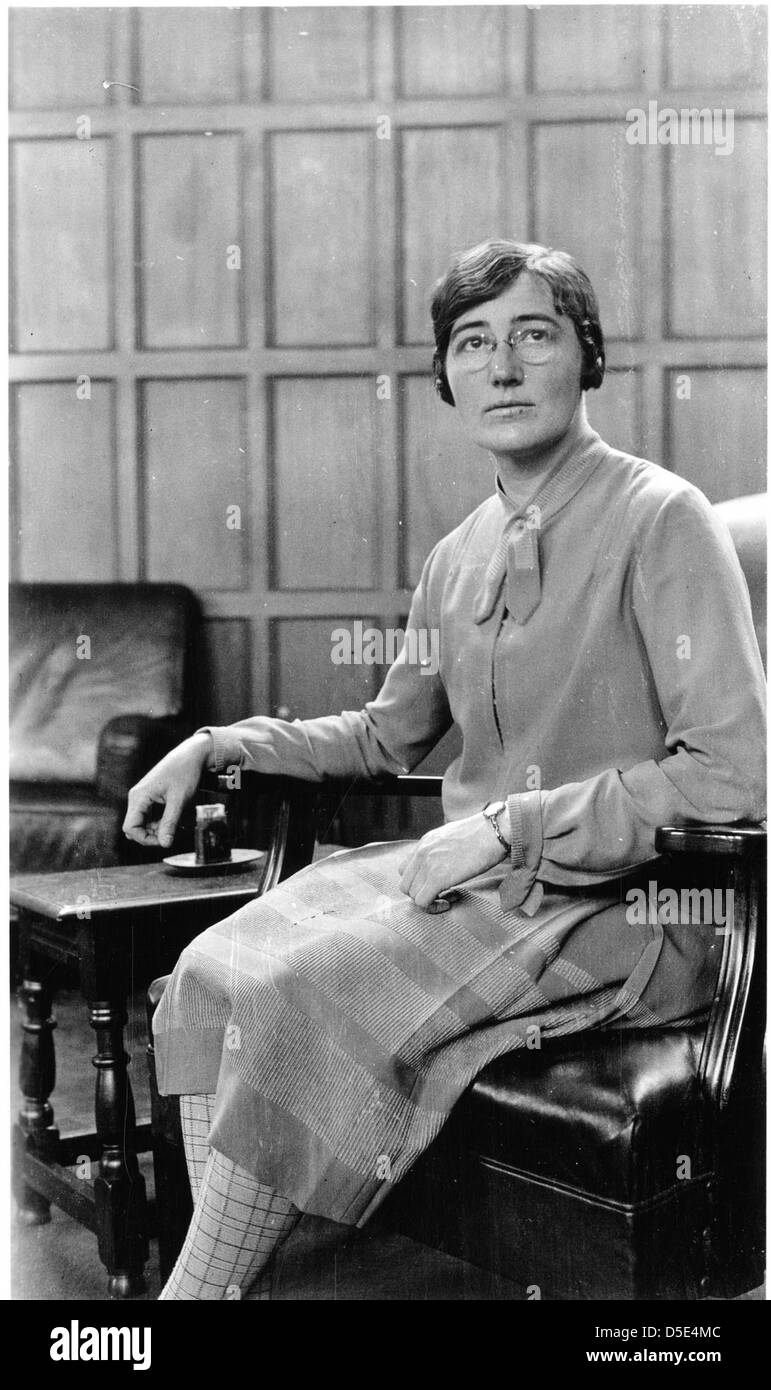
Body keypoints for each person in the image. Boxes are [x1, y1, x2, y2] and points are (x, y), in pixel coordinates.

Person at [124, 239, 765, 1300]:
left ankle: (193, 1301)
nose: (503, 366)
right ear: (449, 379)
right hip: (479, 883)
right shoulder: (457, 553)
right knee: (214, 969)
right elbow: (387, 735)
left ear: (584, 357)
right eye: (474, 344)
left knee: (295, 992)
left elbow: (735, 778)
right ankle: (232, 1282)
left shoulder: (664, 520)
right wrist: (226, 742)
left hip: (635, 906)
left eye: (533, 335)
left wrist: (514, 827)